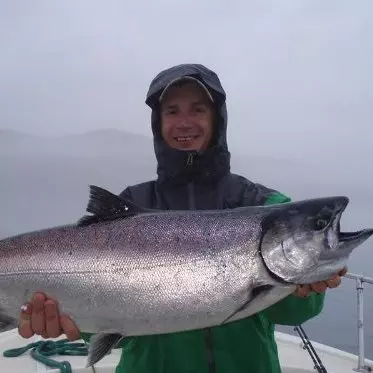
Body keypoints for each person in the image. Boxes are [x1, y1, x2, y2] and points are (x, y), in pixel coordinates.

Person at [18, 63, 346, 373]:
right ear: (158, 124)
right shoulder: (132, 203)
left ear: (217, 119)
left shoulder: (264, 204)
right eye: (172, 111)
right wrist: (65, 320)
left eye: (197, 109)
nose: (184, 122)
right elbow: (103, 318)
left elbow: (298, 312)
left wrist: (309, 286)